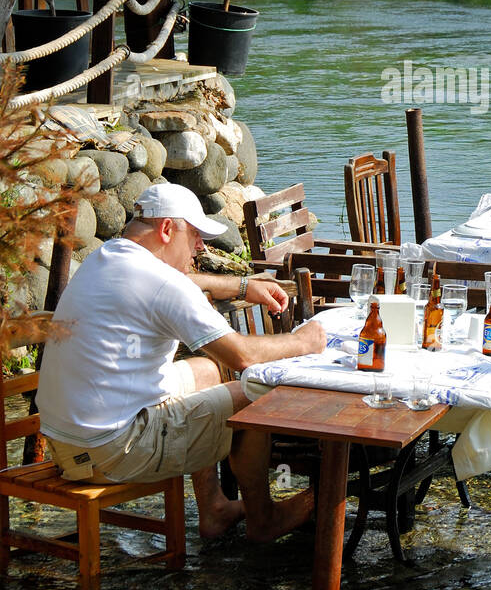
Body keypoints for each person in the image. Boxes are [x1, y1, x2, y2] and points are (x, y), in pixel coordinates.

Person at [36, 183, 327, 542]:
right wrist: (304, 342)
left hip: (67, 444)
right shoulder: (162, 284)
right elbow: (242, 355)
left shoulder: (107, 255)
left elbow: (182, 281)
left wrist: (242, 286)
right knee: (252, 397)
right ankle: (264, 519)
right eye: (195, 235)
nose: (201, 246)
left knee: (206, 371)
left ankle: (214, 509)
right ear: (167, 229)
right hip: (111, 452)